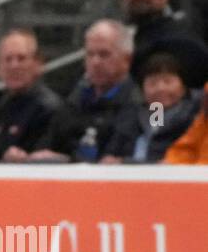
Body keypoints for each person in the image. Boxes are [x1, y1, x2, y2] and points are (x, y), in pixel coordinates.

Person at [30, 19, 141, 162]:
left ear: (127, 60)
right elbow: (48, 144)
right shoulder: (75, 99)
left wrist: (67, 162)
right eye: (90, 54)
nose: (95, 62)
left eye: (104, 54)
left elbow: (113, 160)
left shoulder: (139, 105)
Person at [103, 52, 200, 163]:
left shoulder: (194, 116)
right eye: (152, 83)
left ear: (183, 86)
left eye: (167, 81)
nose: (160, 88)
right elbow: (111, 152)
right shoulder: (131, 115)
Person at [0, 29, 60, 162]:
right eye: (8, 59)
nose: (14, 66)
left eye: (21, 58)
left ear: (38, 64)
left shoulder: (49, 109)